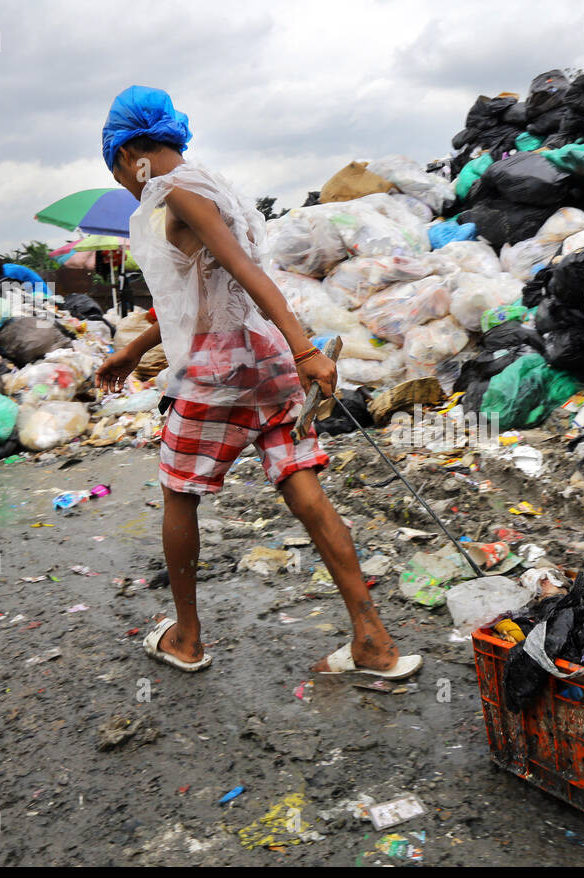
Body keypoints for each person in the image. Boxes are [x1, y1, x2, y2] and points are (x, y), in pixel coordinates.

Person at [94, 86, 420, 680]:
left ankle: (187, 639)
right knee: (304, 489)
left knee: (178, 495)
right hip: (265, 367)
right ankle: (372, 641)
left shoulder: (181, 194)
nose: (122, 182)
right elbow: (200, 297)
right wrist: (132, 352)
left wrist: (306, 348)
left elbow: (244, 275)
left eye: (114, 166)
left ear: (129, 151)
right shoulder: (216, 188)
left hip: (217, 377)